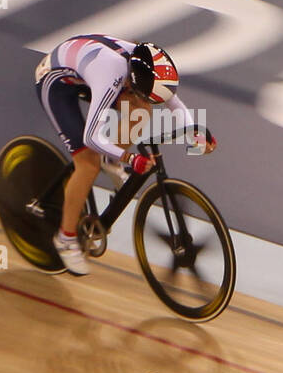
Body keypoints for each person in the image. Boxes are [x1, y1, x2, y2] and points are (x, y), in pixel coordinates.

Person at [35, 35, 216, 275]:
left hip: (87, 71)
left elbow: (173, 103)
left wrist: (195, 134)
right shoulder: (110, 73)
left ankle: (110, 160)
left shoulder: (149, 67)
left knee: (142, 109)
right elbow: (91, 137)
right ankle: (65, 239)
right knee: (88, 164)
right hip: (56, 82)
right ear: (132, 82)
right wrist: (129, 158)